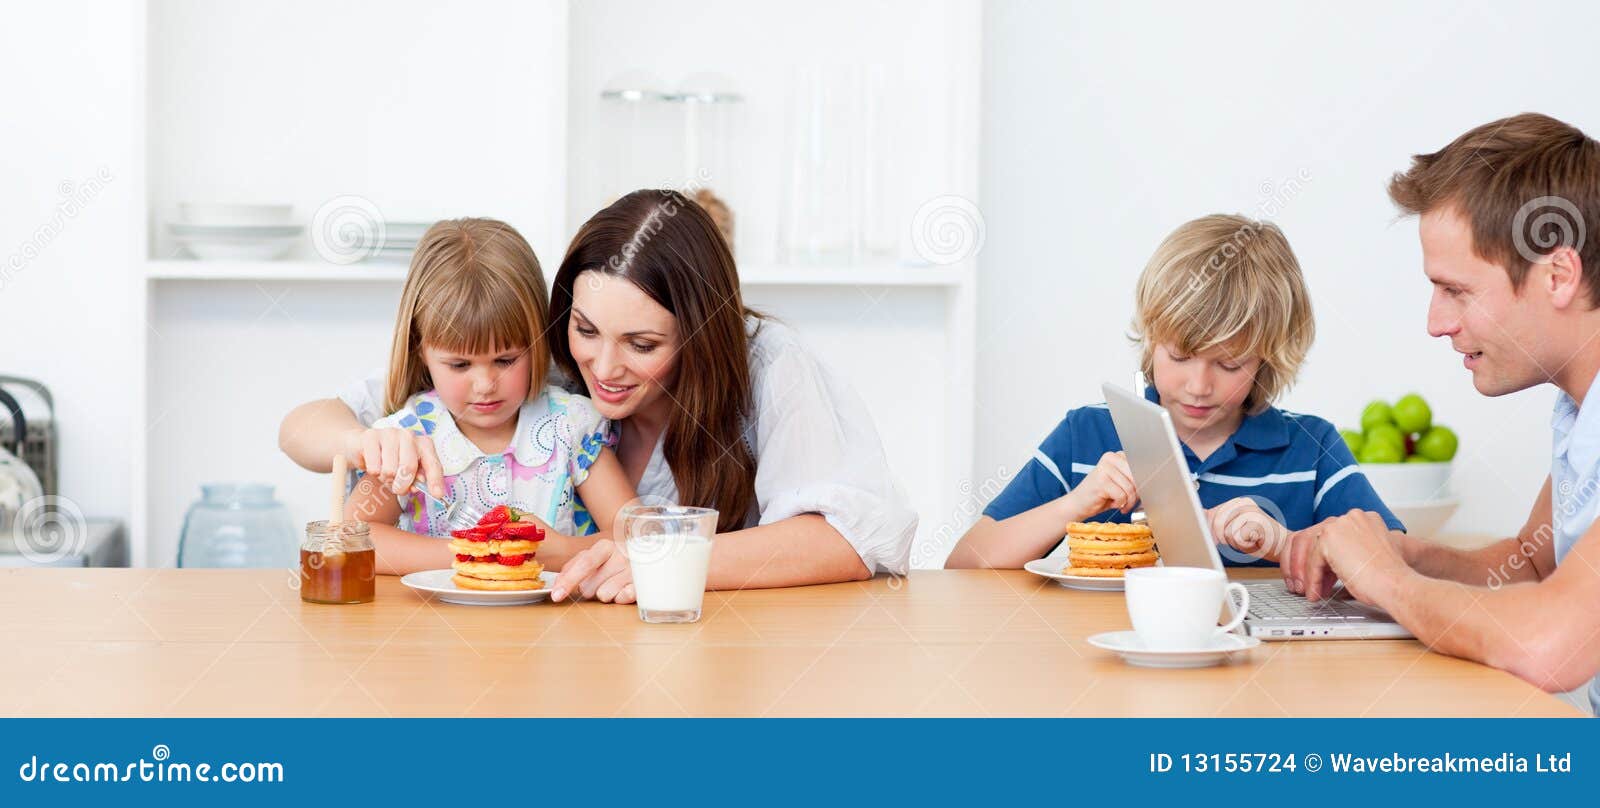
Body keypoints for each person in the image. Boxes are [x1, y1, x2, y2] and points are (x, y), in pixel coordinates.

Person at [280, 190, 916, 601]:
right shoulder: (531, 362)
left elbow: (847, 540)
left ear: (700, 335)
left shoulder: (769, 365)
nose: (602, 368)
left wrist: (656, 564)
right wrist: (361, 443)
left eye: (641, 344)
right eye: (585, 330)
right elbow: (313, 431)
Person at [1269, 113, 1600, 710]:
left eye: (1457, 290)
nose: (1436, 323)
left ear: (1558, 275)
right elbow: (1530, 566)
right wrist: (1405, 554)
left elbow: (1552, 643)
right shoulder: (1579, 409)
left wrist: (1389, 583)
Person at [946, 214, 1400, 570]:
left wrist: (1284, 545)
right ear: (1149, 338)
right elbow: (967, 560)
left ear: (1269, 356)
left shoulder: (1311, 449)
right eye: (1180, 357)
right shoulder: (1088, 434)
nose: (1199, 386)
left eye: (1229, 364)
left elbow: (1394, 563)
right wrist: (1077, 503)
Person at [340, 218, 634, 575]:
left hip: (555, 627)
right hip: (435, 629)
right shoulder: (409, 438)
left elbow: (635, 536)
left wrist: (550, 552)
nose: (484, 385)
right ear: (421, 351)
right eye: (460, 364)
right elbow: (352, 537)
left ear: (538, 343)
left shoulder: (571, 427)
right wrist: (481, 554)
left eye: (506, 360)